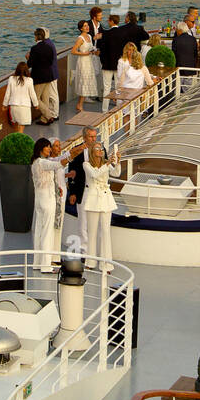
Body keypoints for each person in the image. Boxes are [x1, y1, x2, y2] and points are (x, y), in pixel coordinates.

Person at [30, 138, 71, 271]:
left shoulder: (35, 163)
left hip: (39, 199)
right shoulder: (43, 162)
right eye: (47, 147)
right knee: (47, 232)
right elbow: (58, 164)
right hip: (47, 200)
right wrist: (69, 158)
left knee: (39, 231)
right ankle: (46, 265)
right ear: (41, 148)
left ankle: (37, 263)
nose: (50, 149)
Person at [82, 142, 120, 272]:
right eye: (97, 148)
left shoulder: (106, 164)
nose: (100, 151)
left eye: (101, 149)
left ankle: (106, 264)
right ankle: (90, 262)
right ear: (92, 151)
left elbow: (116, 173)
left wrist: (117, 162)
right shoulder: (86, 164)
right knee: (91, 232)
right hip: (93, 199)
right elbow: (94, 174)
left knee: (105, 231)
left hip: (105, 199)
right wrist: (108, 163)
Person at [65, 127, 97, 251]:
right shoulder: (76, 151)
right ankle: (84, 249)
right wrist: (72, 192)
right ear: (84, 138)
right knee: (82, 221)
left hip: (96, 191)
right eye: (91, 137)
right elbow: (72, 171)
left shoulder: (101, 149)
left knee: (94, 221)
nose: (94, 139)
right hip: (82, 191)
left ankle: (93, 249)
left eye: (95, 136)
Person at [27, 28, 59, 124]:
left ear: (36, 36)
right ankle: (44, 120)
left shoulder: (34, 49)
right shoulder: (49, 47)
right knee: (45, 98)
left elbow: (30, 64)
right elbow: (50, 61)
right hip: (48, 75)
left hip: (39, 77)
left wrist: (28, 58)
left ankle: (48, 116)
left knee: (35, 98)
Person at [68, 22, 100, 113]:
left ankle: (80, 104)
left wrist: (93, 51)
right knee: (84, 81)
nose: (87, 27)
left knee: (88, 81)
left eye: (87, 25)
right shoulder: (80, 38)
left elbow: (90, 48)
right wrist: (84, 53)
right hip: (83, 62)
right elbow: (73, 51)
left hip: (89, 61)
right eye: (85, 26)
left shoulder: (89, 36)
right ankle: (79, 105)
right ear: (81, 28)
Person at [2, 61, 41, 125]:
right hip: (24, 107)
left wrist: (5, 104)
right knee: (21, 127)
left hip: (13, 106)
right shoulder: (29, 80)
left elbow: (7, 93)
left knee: (16, 126)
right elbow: (32, 94)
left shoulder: (11, 79)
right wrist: (36, 104)